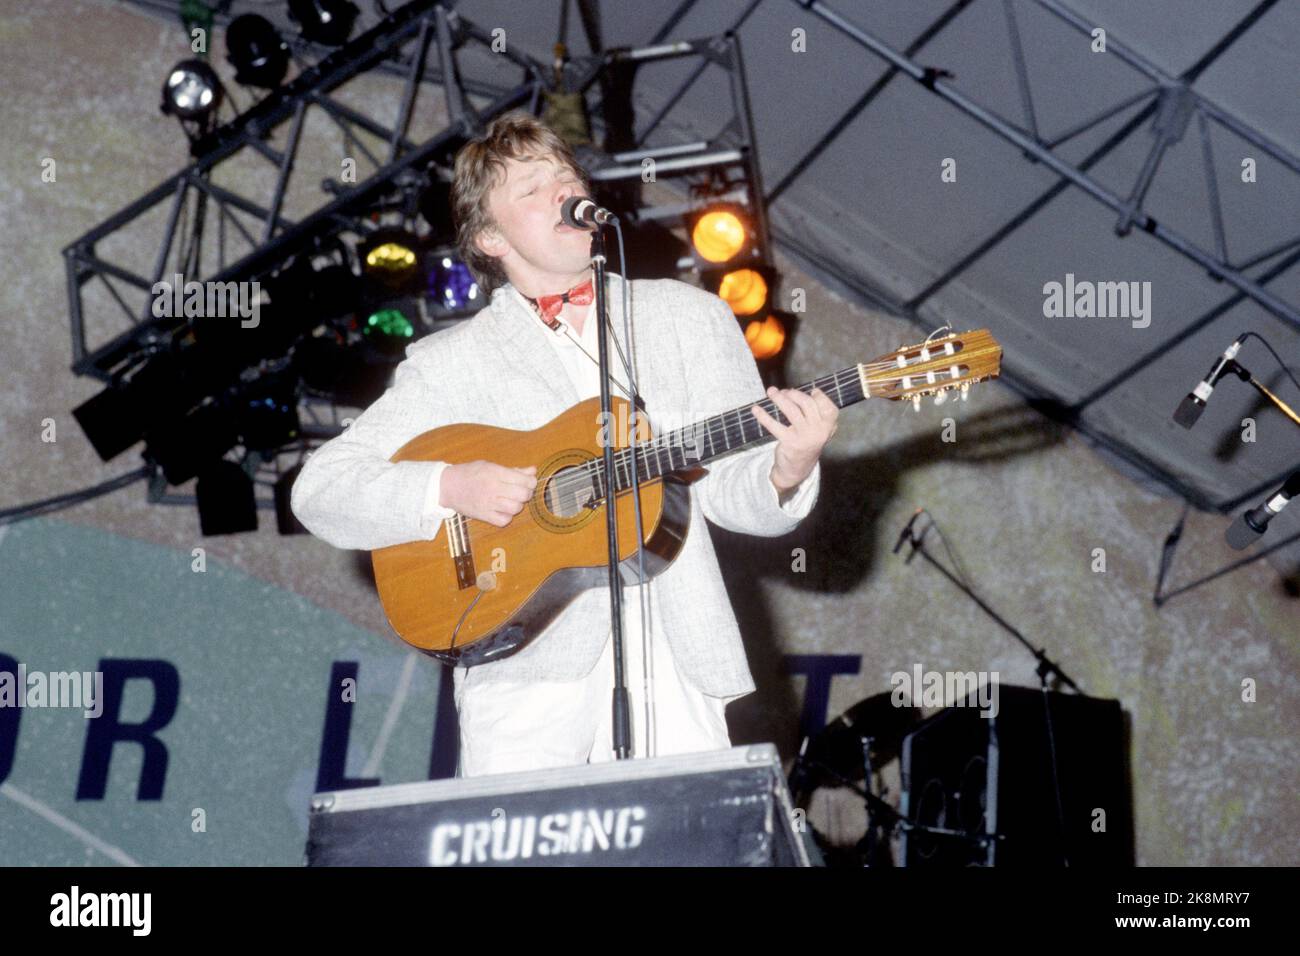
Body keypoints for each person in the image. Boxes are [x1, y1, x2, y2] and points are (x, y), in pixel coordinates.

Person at [291, 111, 837, 777]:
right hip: (524, 667)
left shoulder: (689, 318)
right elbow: (320, 490)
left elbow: (733, 497)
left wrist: (790, 463)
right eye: (530, 188)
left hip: (673, 643)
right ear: (490, 237)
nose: (560, 193)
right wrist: (448, 487)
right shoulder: (453, 361)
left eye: (565, 178)